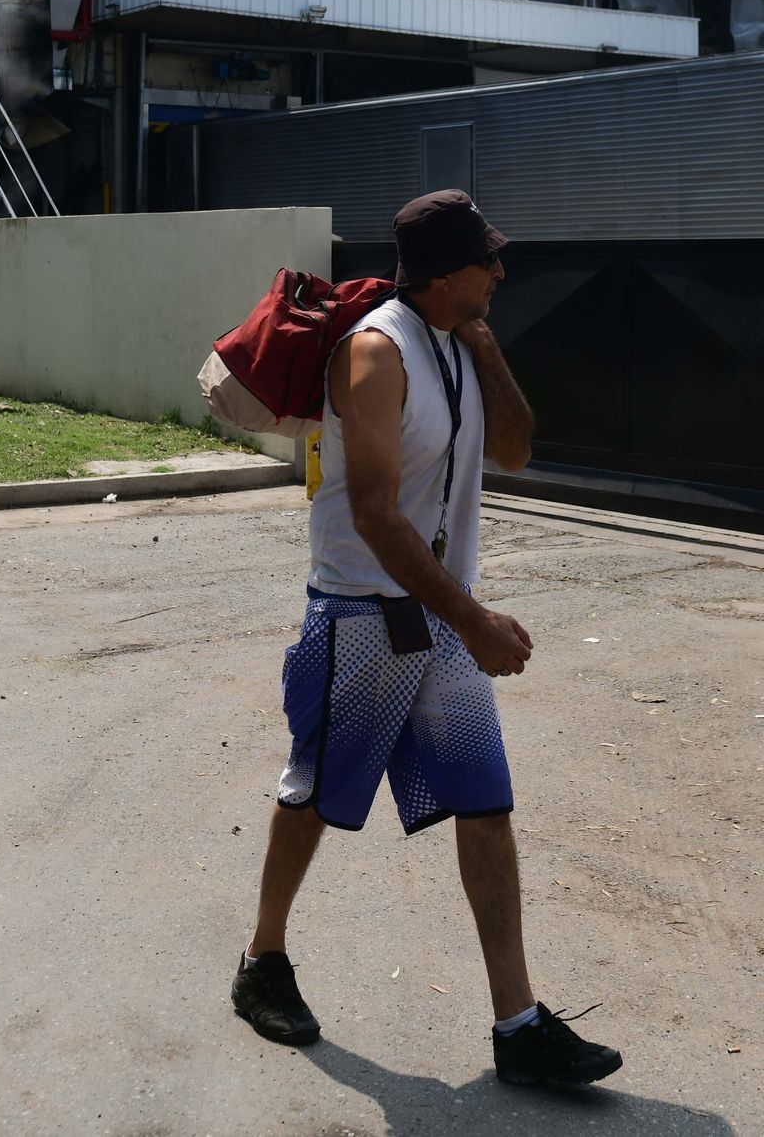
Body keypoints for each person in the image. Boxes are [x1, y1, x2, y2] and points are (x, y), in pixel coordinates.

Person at [230, 189, 622, 1089]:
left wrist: (483, 340)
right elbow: (372, 512)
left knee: (487, 805)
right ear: (445, 276)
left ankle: (518, 1025)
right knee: (317, 797)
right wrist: (475, 621)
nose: (503, 271)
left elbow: (517, 451)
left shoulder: (455, 338)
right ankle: (262, 963)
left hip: (442, 619)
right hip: (365, 619)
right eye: (489, 262)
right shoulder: (375, 352)